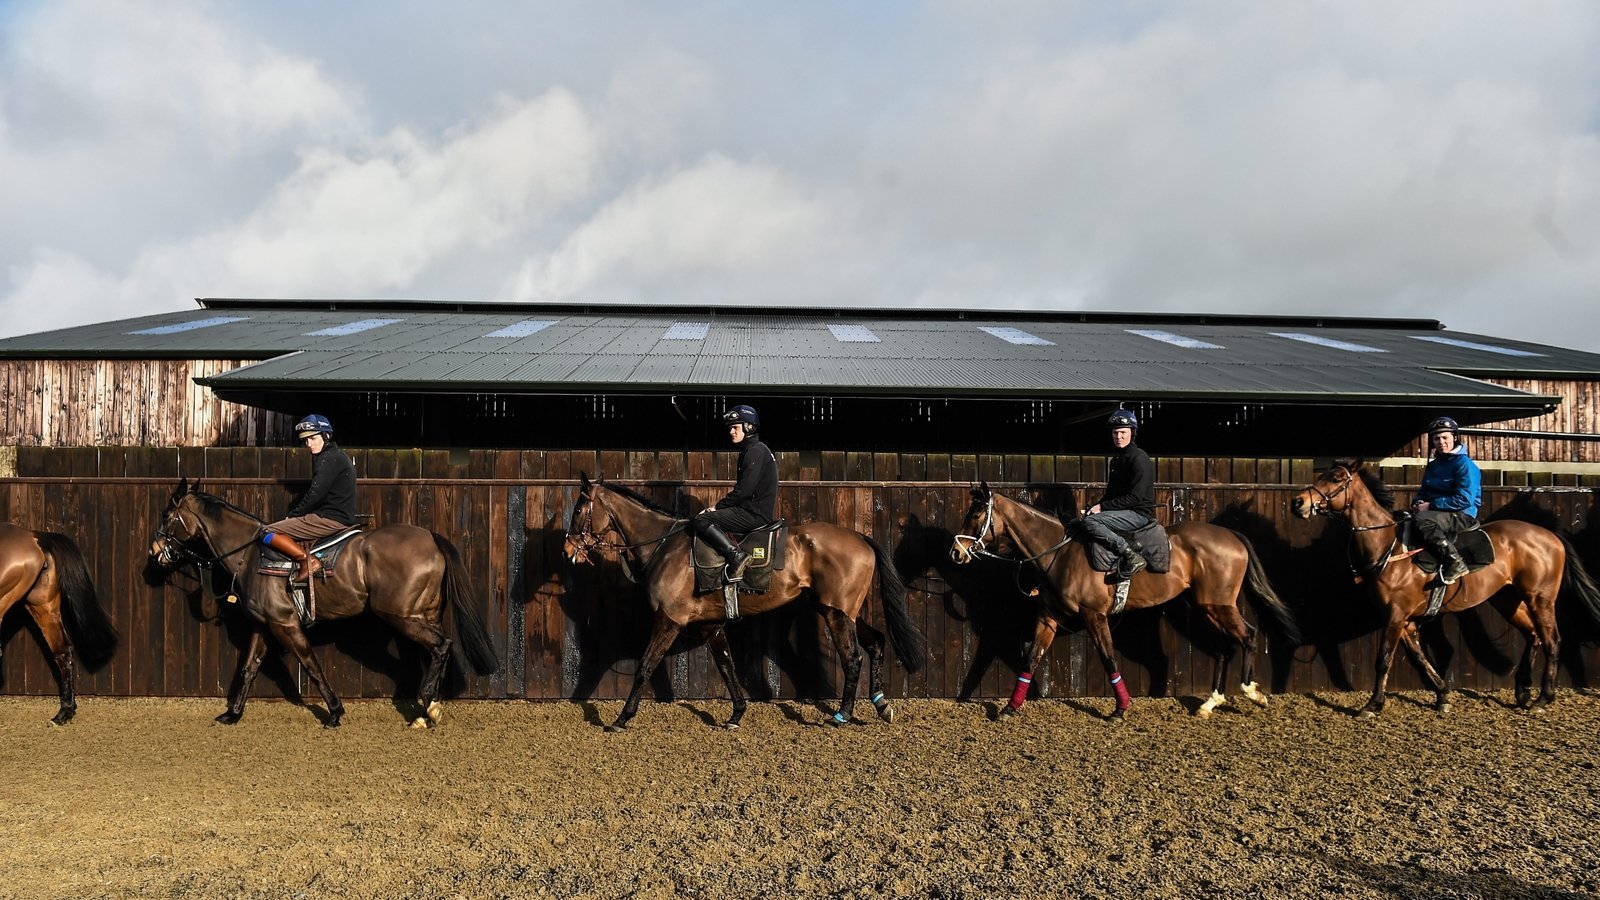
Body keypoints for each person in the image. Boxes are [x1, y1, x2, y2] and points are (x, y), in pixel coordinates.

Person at [263, 414, 358, 581]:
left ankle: (307, 561)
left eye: (313, 438)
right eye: (305, 440)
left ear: (326, 436)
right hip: (336, 516)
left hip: (330, 518)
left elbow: (315, 494)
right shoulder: (336, 457)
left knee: (267, 532)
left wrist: (293, 515)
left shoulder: (328, 459)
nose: (309, 444)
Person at [689, 405, 778, 582]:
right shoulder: (753, 450)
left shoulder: (755, 451)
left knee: (701, 520)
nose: (731, 431)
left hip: (753, 513)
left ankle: (737, 556)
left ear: (749, 427)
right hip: (751, 510)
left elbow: (744, 491)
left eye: (735, 427)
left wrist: (716, 508)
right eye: (730, 428)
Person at [1079, 408, 1156, 580]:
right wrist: (1094, 507)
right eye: (1115, 433)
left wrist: (1103, 507)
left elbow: (1135, 498)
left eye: (1122, 432)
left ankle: (1131, 556)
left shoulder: (1139, 458)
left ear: (1132, 433)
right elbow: (1111, 494)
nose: (1118, 436)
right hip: (1123, 511)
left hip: (1138, 513)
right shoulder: (1117, 460)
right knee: (1083, 521)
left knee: (1091, 523)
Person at [1411, 416, 1482, 585]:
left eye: (1445, 437)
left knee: (1422, 520)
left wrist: (1431, 505)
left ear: (1455, 438)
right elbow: (1424, 491)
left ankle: (1455, 562)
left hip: (1462, 514)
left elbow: (1464, 499)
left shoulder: (1464, 464)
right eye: (1436, 438)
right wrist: (1418, 503)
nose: (1441, 442)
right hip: (1436, 512)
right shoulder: (1434, 465)